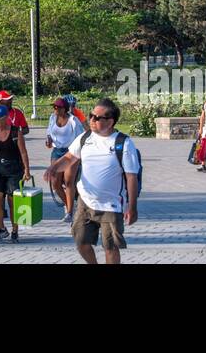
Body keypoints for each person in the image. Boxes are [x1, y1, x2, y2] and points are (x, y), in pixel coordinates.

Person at [44, 97, 140, 265]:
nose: (92, 120)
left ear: (110, 121)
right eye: (91, 116)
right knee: (81, 241)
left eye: (97, 118)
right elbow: (69, 157)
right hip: (85, 202)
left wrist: (132, 207)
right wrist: (53, 168)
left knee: (110, 247)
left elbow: (132, 177)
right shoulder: (85, 137)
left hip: (111, 205)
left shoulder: (123, 143)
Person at [0, 104, 30, 242]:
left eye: (0, 118)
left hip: (14, 170)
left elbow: (23, 152)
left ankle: (15, 230)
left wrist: (27, 170)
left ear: (7, 118)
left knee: (12, 202)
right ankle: (2, 228)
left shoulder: (16, 132)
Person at [46, 96, 84, 222]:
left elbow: (81, 138)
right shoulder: (52, 118)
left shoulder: (73, 120)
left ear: (64, 109)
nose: (55, 109)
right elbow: (49, 132)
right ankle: (70, 206)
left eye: (57, 107)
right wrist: (49, 140)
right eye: (54, 106)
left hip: (71, 152)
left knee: (68, 182)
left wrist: (79, 155)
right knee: (55, 183)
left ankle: (69, 213)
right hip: (57, 152)